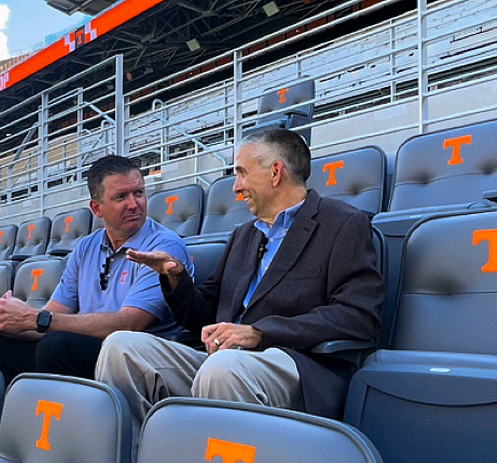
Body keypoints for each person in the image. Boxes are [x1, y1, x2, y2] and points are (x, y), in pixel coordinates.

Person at [96, 128, 383, 429]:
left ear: (276, 173)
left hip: (295, 364)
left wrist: (260, 332)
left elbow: (358, 315)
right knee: (120, 348)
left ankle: (209, 461)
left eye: (242, 173)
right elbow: (204, 314)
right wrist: (175, 277)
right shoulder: (244, 235)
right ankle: (141, 457)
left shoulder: (343, 224)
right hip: (225, 363)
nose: (236, 187)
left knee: (223, 368)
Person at [0, 155, 194, 382]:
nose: (134, 204)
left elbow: (129, 324)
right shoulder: (86, 247)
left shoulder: (164, 247)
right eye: (121, 197)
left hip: (132, 357)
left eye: (139, 193)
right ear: (97, 208)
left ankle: (59, 407)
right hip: (83, 348)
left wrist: (34, 318)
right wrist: (6, 320)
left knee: (57, 345)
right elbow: (53, 315)